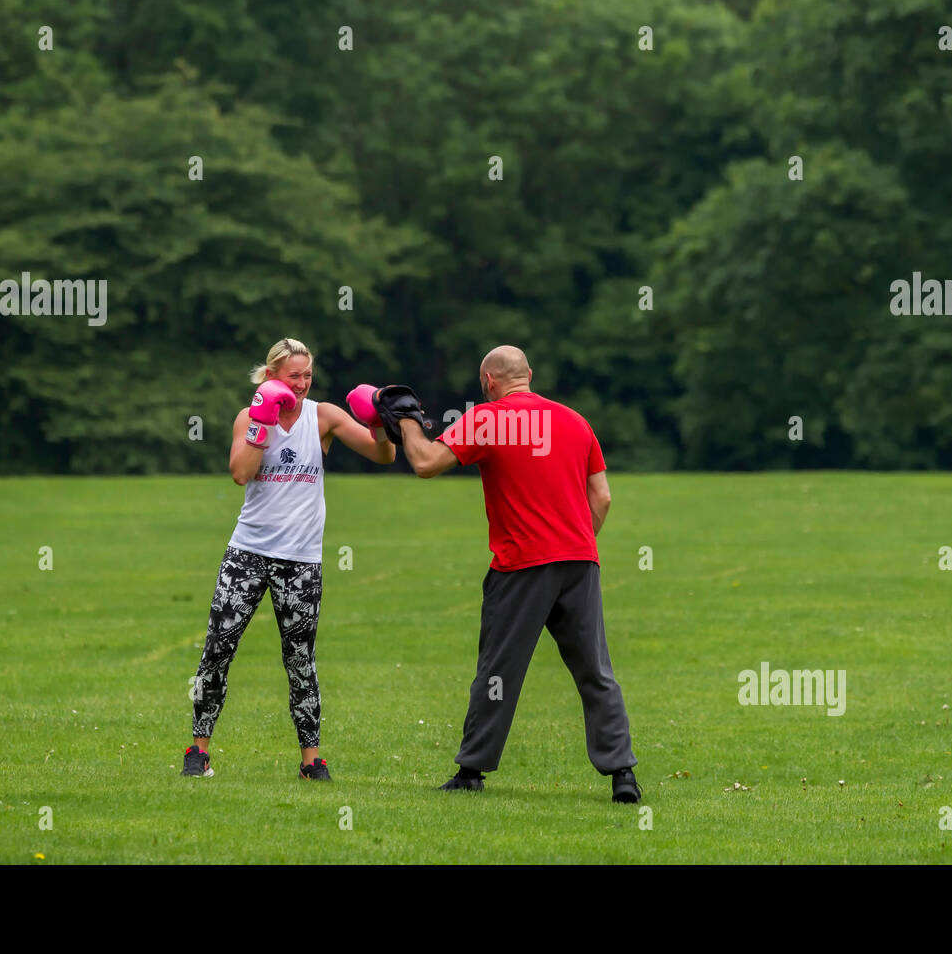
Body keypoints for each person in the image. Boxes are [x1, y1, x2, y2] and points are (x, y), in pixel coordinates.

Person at [394, 345, 640, 802]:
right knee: (595, 671)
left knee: (498, 671)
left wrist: (407, 419)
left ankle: (471, 771)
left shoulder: (487, 419)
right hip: (580, 561)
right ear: (528, 374)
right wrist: (580, 542)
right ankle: (622, 774)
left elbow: (426, 463)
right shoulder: (576, 421)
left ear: (488, 381)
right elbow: (602, 498)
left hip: (522, 564)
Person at [181, 337, 395, 781]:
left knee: (300, 658)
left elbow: (381, 455)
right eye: (292, 376)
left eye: (306, 375)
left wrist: (382, 423)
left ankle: (311, 761)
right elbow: (241, 473)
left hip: (300, 560)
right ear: (273, 375)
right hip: (248, 553)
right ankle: (198, 752)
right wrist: (263, 421)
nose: (300, 383)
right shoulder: (250, 416)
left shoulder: (325, 416)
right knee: (218, 650)